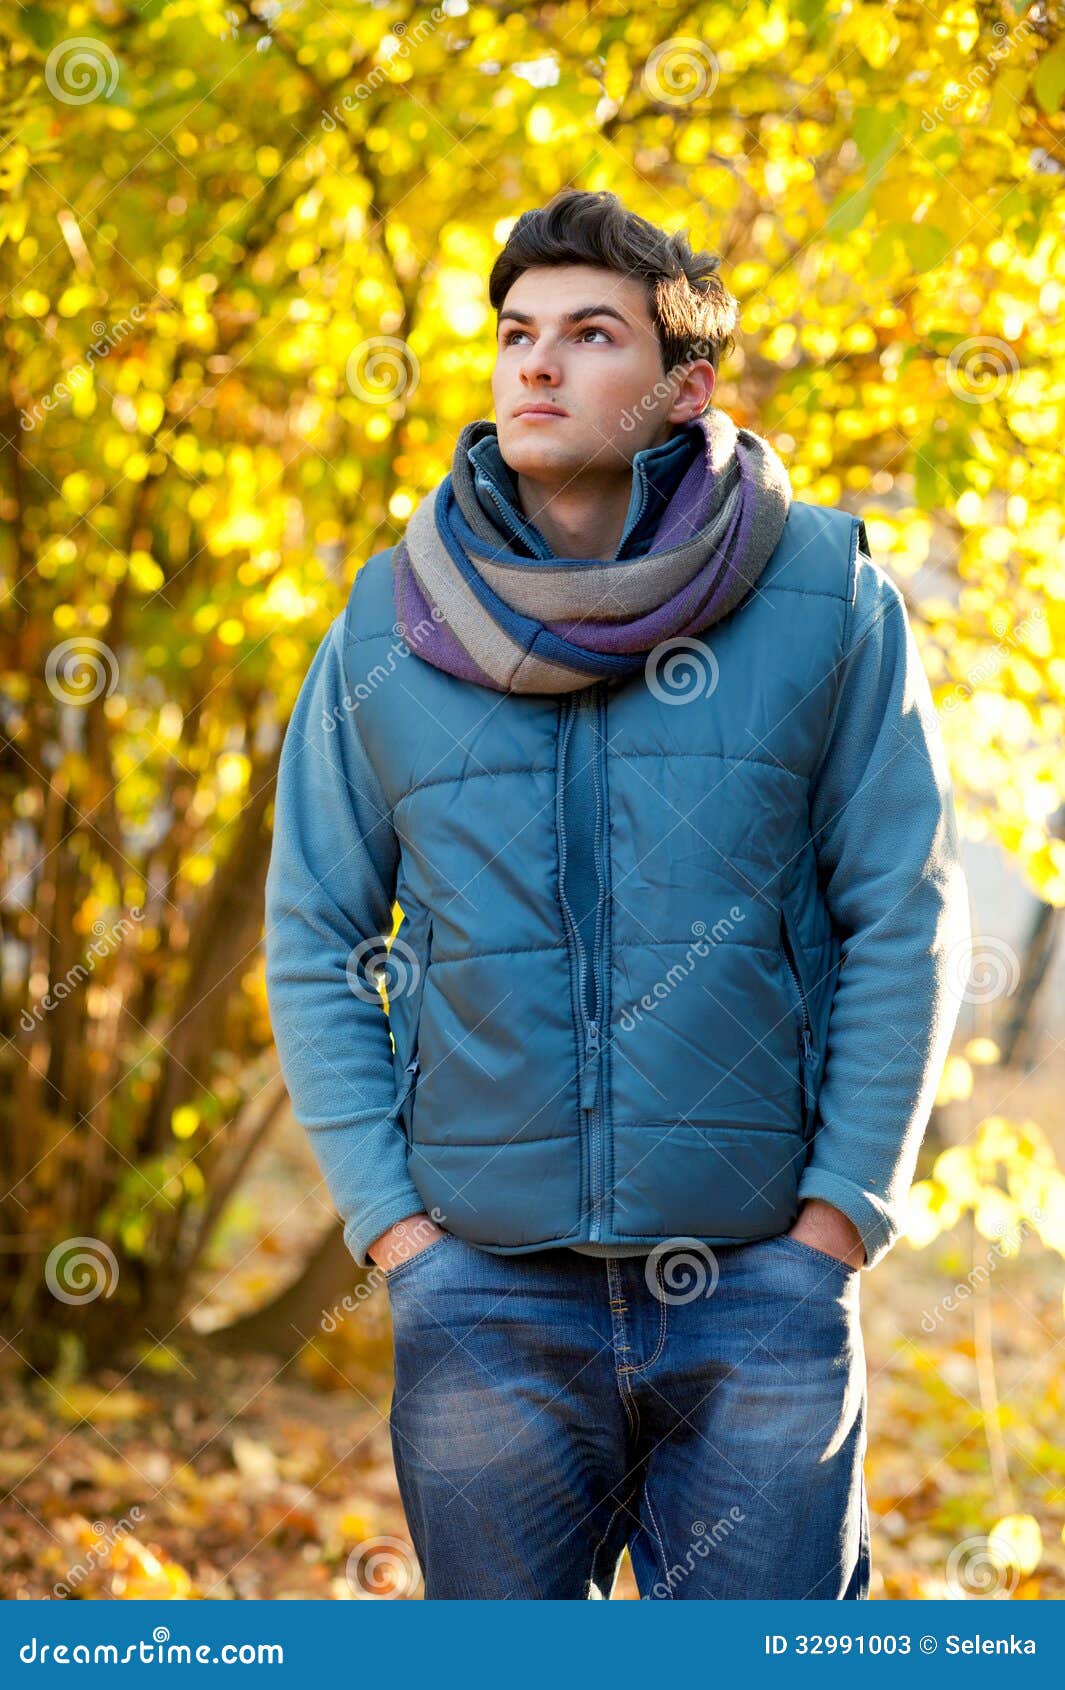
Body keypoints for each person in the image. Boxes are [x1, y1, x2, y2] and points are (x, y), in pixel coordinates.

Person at [264, 188, 971, 1599]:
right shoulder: (389, 621)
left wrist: (836, 1220)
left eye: (591, 335)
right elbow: (317, 933)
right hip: (483, 1289)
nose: (537, 363)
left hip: (758, 1282)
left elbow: (904, 912)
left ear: (682, 386)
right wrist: (399, 1232)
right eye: (516, 333)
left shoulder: (826, 595)